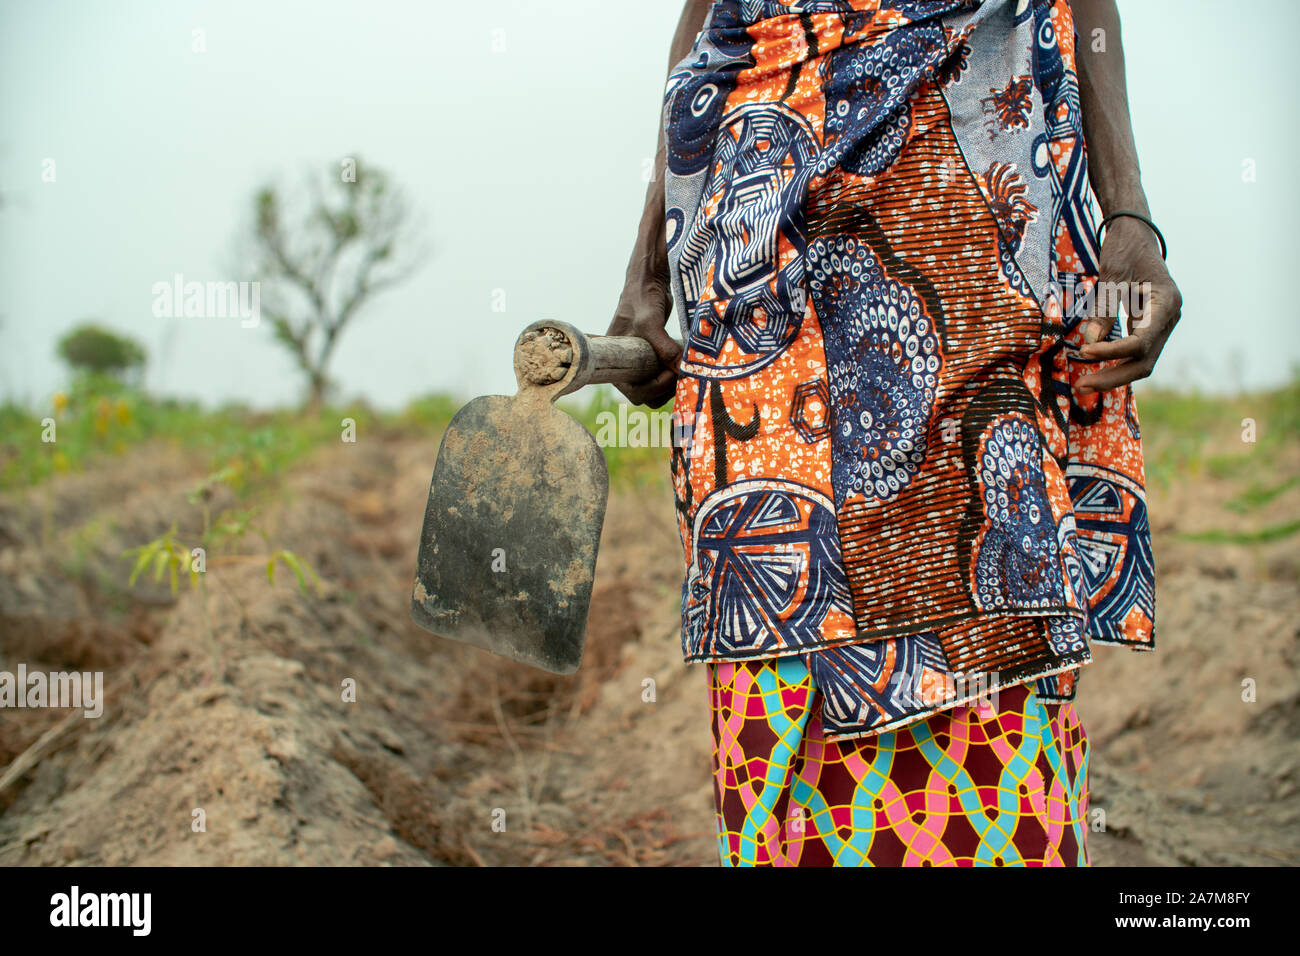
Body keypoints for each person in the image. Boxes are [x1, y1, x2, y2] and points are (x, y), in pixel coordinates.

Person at [608, 0, 1181, 867]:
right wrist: (650, 269)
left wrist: (1128, 215)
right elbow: (708, 22)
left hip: (976, 192)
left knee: (990, 587)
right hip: (758, 218)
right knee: (780, 605)